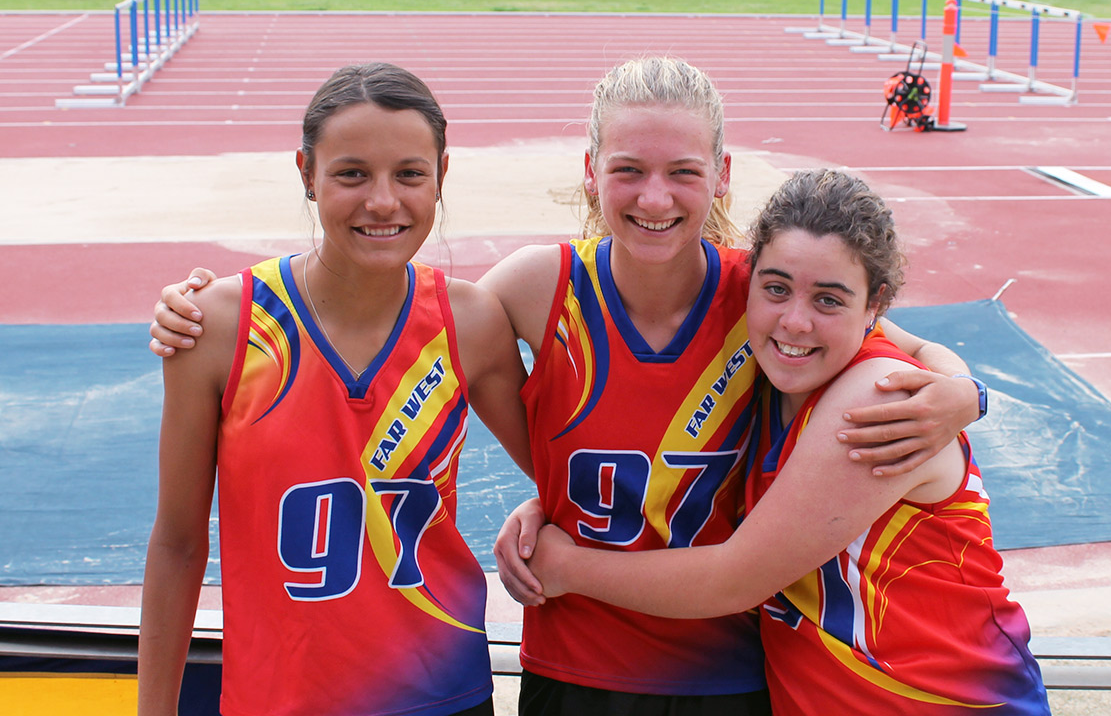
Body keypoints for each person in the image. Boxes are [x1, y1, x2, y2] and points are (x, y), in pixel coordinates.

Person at [149, 58, 983, 716]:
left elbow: (886, 337)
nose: (654, 197)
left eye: (682, 172)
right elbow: (417, 330)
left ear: (721, 176)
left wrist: (962, 390)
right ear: (591, 172)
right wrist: (194, 306)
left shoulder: (762, 297)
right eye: (628, 170)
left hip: (724, 674)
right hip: (568, 672)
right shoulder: (529, 291)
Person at [519, 169, 1050, 714]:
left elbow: (734, 580)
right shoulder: (773, 384)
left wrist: (565, 567)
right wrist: (554, 497)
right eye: (776, 289)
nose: (795, 322)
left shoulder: (876, 399)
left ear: (875, 306)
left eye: (828, 301)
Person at [138, 63, 531, 716]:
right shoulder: (219, 327)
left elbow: (564, 471)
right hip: (279, 699)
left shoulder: (472, 323)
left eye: (410, 174)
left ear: (441, 176)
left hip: (443, 694)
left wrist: (540, 509)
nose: (383, 201)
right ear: (306, 174)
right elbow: (178, 544)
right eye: (352, 173)